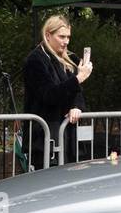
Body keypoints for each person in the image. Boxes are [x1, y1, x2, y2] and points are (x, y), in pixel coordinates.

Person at [23, 14, 92, 168]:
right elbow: (48, 94)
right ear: (48, 35)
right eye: (61, 37)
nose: (66, 41)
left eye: (68, 37)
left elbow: (78, 93)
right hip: (45, 138)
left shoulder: (70, 58)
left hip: (68, 137)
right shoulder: (36, 60)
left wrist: (77, 107)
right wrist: (78, 78)